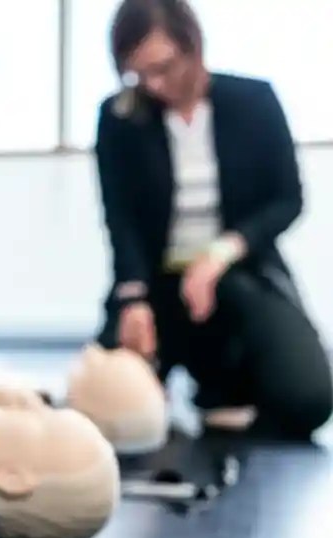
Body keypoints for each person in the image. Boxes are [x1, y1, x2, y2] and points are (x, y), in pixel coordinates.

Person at [95, 0, 332, 440]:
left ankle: (224, 387)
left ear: (194, 47)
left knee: (309, 398)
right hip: (154, 283)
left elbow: (288, 199)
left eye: (164, 67)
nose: (154, 84)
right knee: (104, 404)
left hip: (238, 273)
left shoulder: (254, 102)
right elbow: (120, 218)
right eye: (138, 74)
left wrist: (222, 252)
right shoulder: (119, 119)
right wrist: (132, 298)